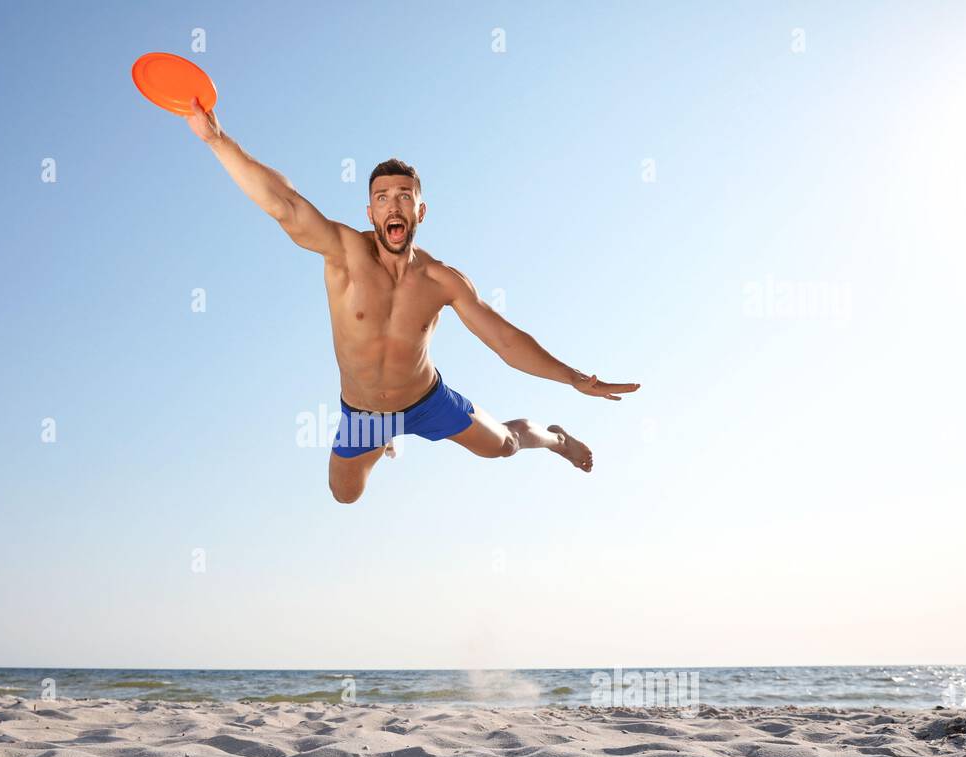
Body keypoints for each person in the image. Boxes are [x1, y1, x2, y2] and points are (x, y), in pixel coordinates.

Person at [186, 98, 640, 503]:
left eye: (404, 196)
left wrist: (574, 378)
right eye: (382, 198)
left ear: (420, 211)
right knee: (344, 495)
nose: (393, 205)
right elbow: (284, 203)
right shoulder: (345, 252)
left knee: (503, 445)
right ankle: (383, 439)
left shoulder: (442, 280)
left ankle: (556, 439)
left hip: (426, 398)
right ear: (370, 213)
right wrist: (217, 139)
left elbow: (504, 340)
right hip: (364, 412)